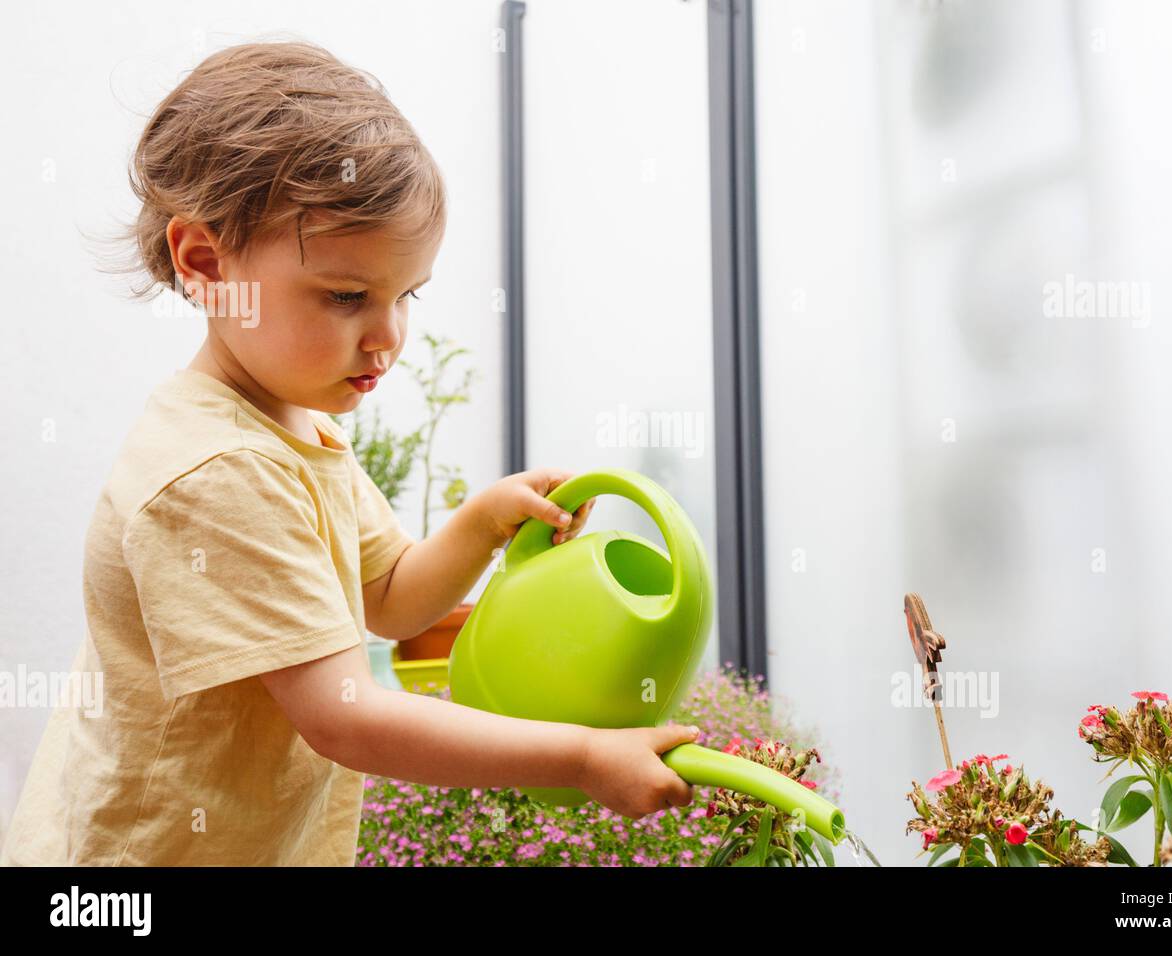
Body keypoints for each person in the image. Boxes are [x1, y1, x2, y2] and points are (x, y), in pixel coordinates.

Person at [0, 40, 698, 866]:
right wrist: (579, 756)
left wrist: (480, 523)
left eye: (407, 294)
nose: (389, 336)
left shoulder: (294, 426)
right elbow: (345, 716)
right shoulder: (218, 475)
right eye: (346, 296)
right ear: (206, 265)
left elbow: (388, 599)